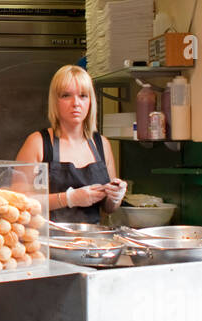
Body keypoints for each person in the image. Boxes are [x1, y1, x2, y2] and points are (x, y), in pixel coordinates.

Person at [15, 64, 126, 222]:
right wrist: (68, 199)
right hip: (48, 240)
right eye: (66, 95)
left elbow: (108, 209)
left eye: (83, 96)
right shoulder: (38, 143)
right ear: (55, 101)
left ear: (90, 101)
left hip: (90, 239)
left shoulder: (102, 144)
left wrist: (115, 197)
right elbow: (19, 202)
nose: (76, 103)